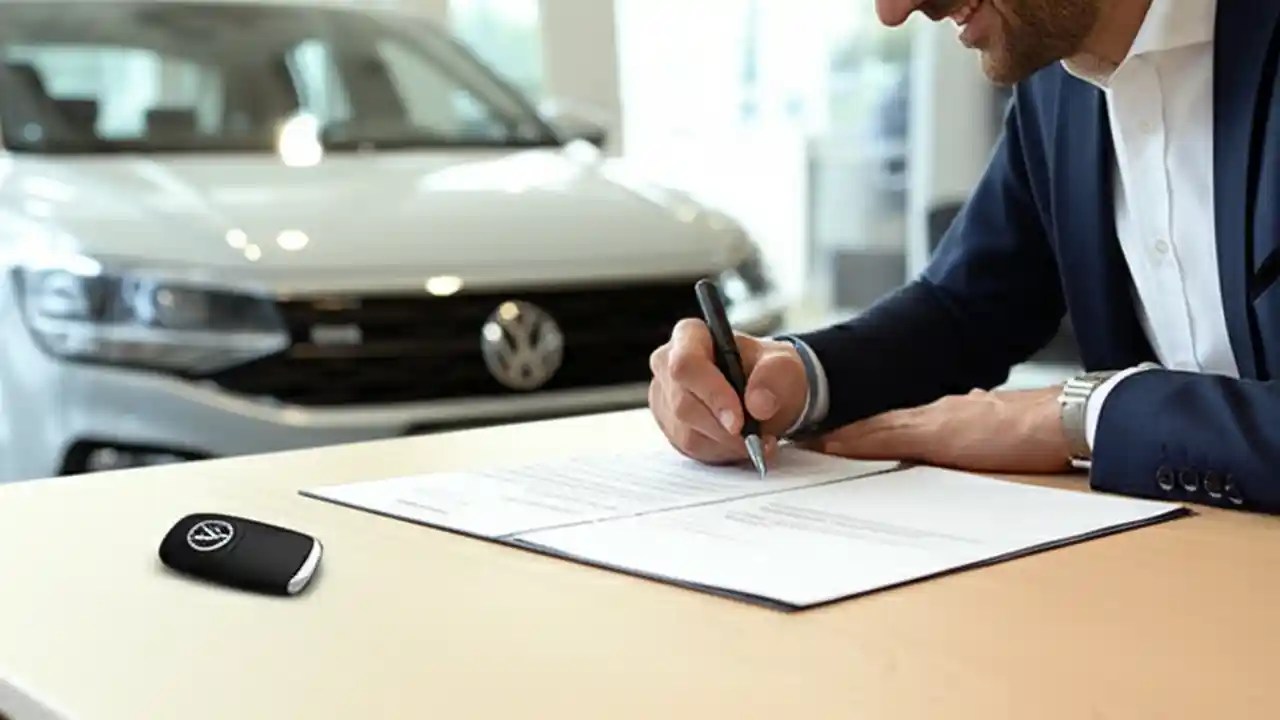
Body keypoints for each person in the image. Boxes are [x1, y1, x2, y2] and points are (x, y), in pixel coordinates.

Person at [648, 0, 1280, 513]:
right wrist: (794, 377)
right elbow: (967, 309)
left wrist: (1078, 417)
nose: (894, 11)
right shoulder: (1058, 85)